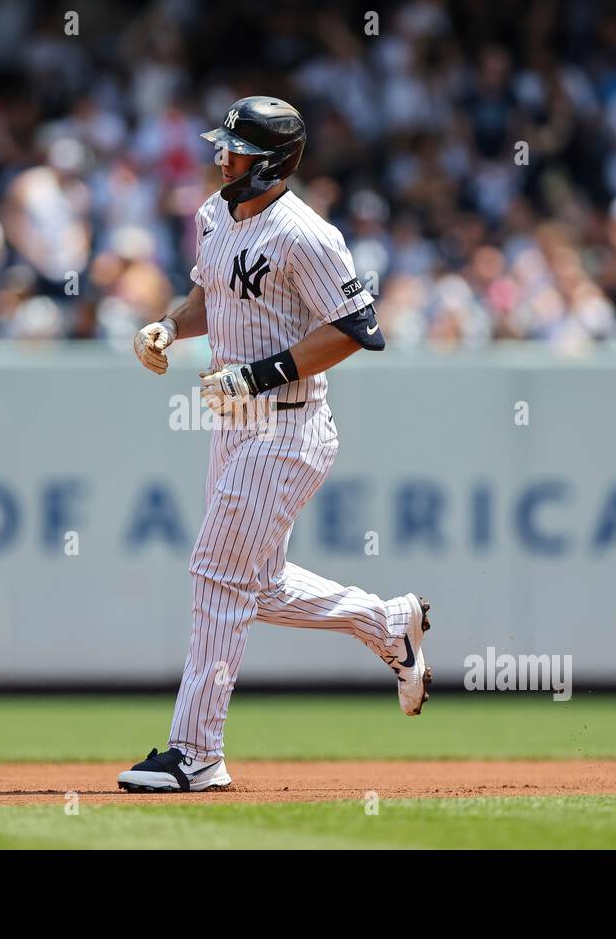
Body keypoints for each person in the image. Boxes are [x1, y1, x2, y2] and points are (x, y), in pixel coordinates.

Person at [119, 97, 433, 794]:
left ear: (270, 163)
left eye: (233, 149)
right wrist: (169, 327)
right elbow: (214, 293)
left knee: (215, 574)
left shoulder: (307, 235)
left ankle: (195, 752)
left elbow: (358, 327)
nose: (219, 157)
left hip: (287, 423)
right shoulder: (213, 215)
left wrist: (257, 376)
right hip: (235, 424)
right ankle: (388, 623)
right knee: (256, 585)